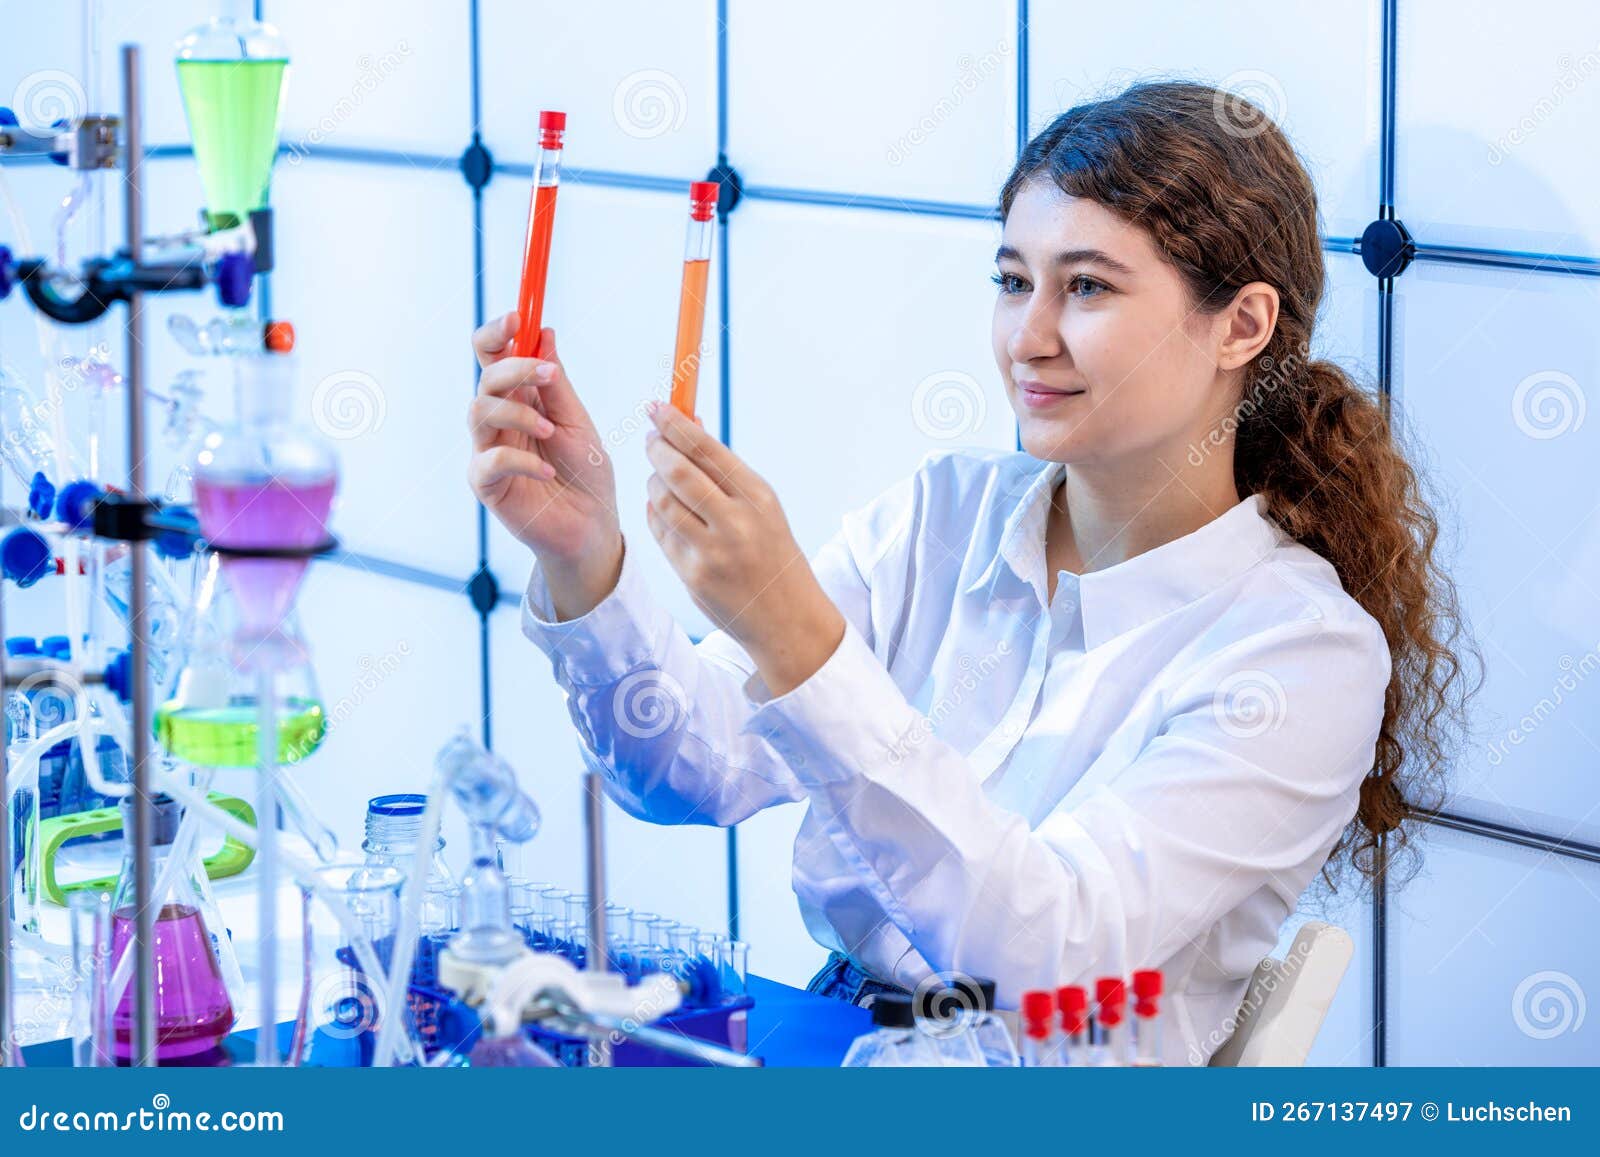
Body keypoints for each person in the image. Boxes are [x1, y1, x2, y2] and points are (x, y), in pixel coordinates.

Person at [466, 80, 1474, 1065]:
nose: (1027, 337)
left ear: (1241, 325)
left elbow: (1049, 954)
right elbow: (687, 769)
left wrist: (792, 631)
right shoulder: (943, 513)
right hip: (835, 1040)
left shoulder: (1299, 651)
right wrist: (582, 549)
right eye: (1009, 280)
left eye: (1086, 286)